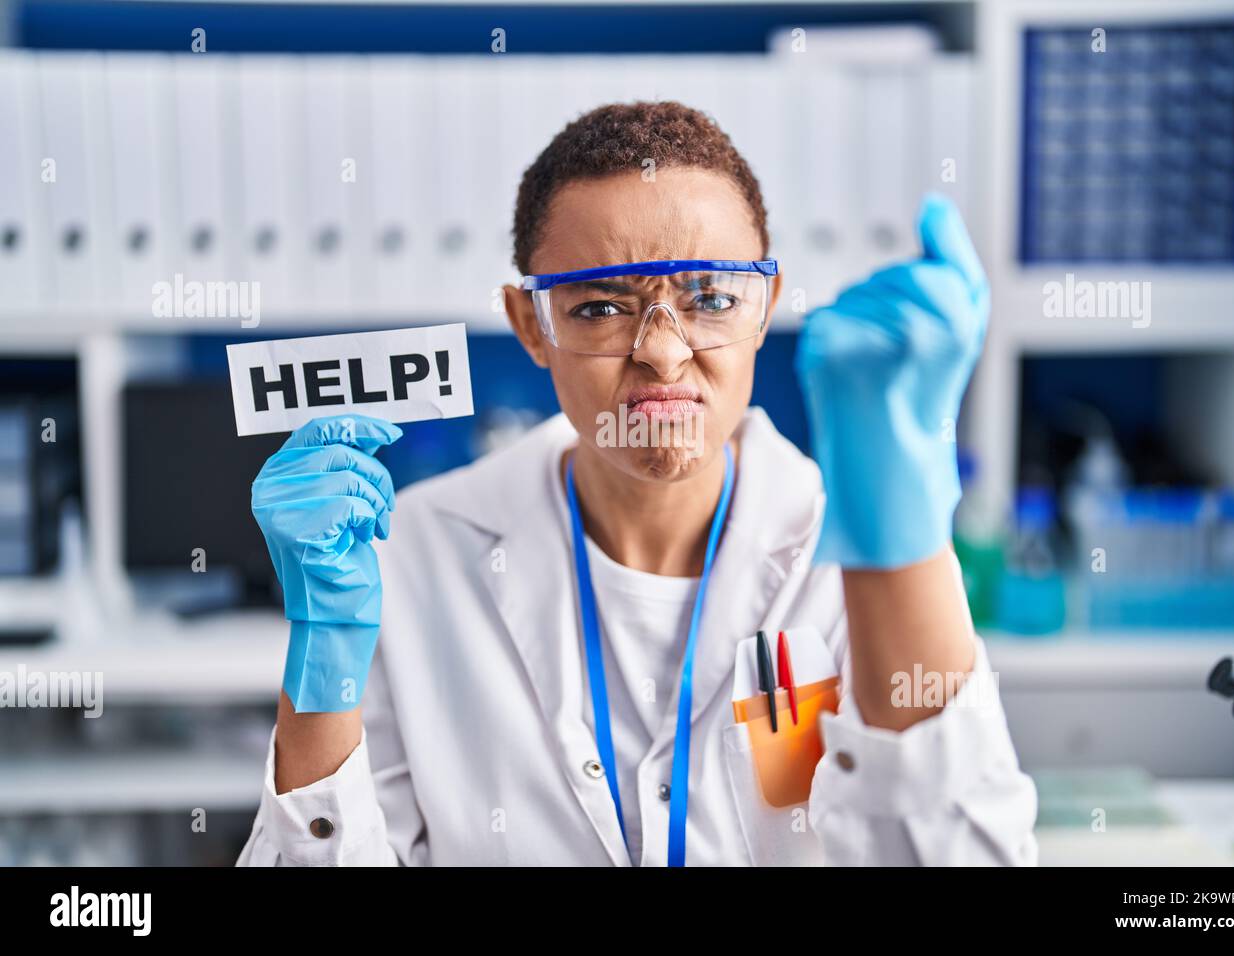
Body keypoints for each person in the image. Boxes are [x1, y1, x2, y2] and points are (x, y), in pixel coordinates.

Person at [237, 101, 1036, 866]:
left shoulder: (855, 562)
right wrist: (322, 669)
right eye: (599, 309)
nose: (661, 352)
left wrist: (902, 545)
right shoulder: (410, 554)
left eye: (712, 299)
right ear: (531, 326)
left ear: (767, 308)